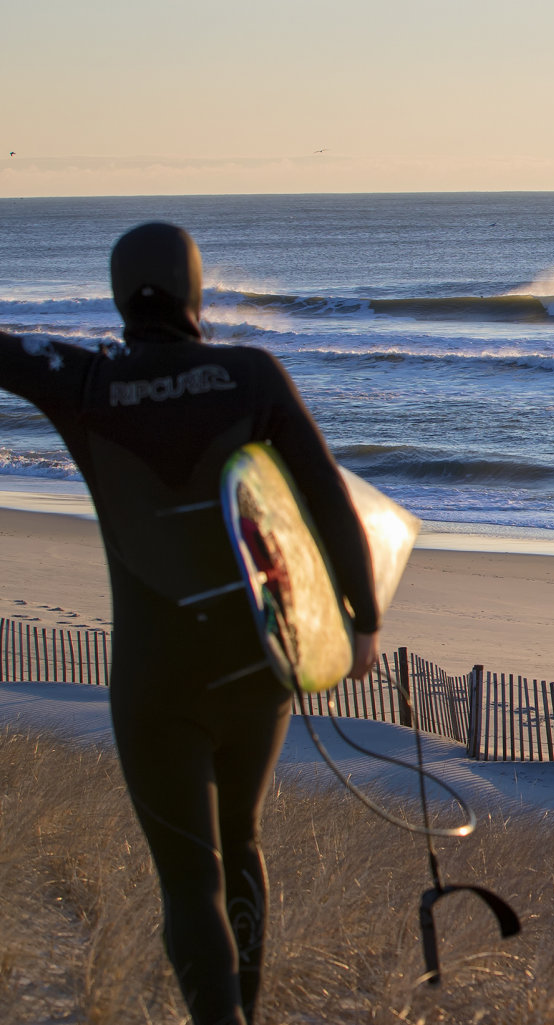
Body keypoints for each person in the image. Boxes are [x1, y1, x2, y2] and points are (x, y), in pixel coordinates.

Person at [0, 222, 380, 1025]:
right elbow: (328, 499)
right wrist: (362, 622)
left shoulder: (84, 381)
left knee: (188, 878)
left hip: (156, 675)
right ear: (195, 289)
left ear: (117, 293)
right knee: (240, 841)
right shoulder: (250, 374)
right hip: (255, 666)